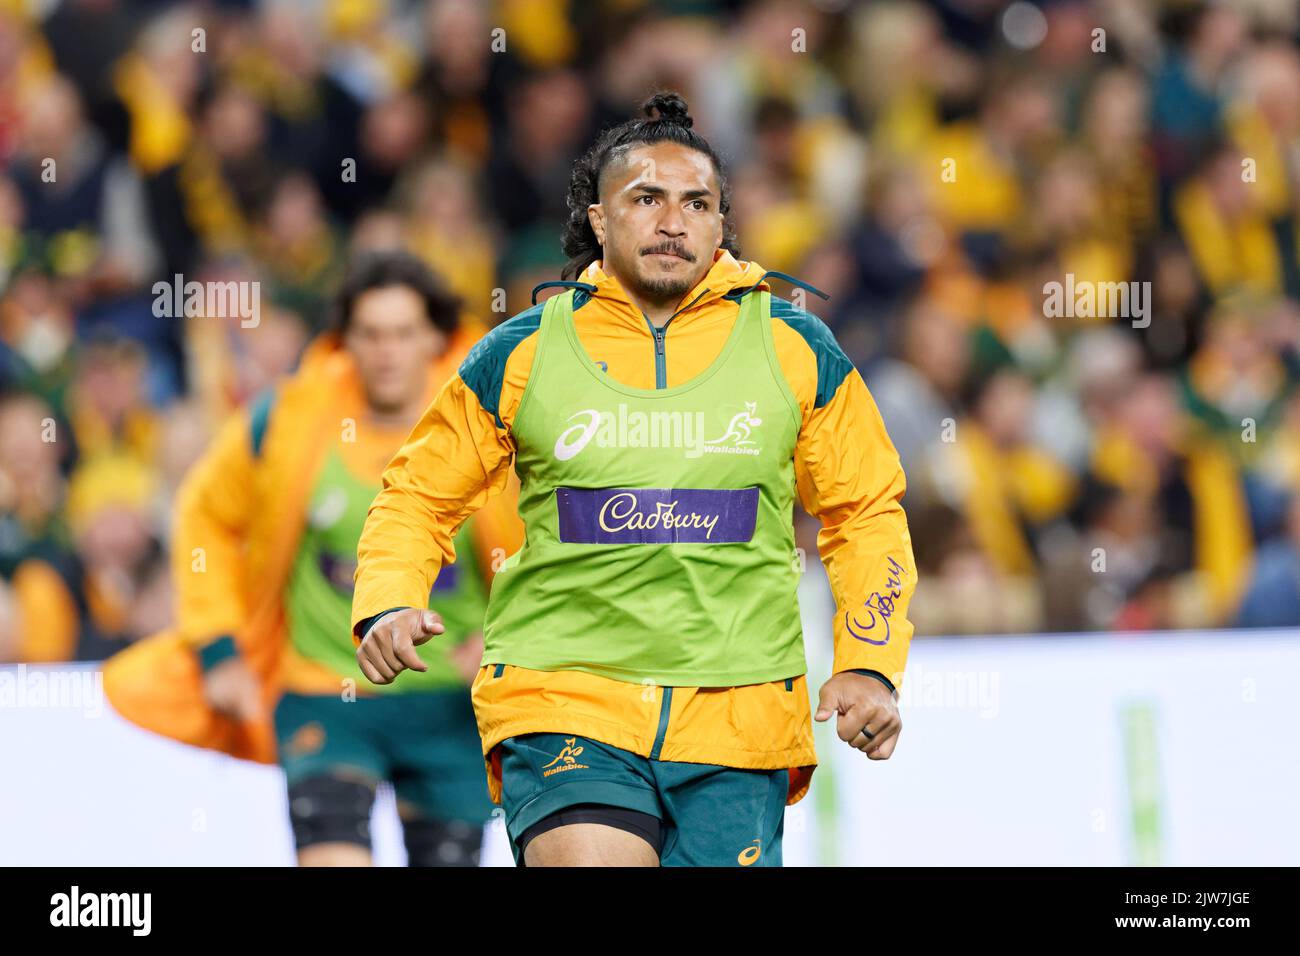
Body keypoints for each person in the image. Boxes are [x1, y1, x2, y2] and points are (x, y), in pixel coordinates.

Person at [351, 92, 917, 867]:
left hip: (740, 712)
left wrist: (868, 661)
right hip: (564, 695)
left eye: (697, 204)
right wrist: (386, 598)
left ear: (722, 224)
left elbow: (865, 511)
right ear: (598, 219)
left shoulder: (796, 348)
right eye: (646, 199)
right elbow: (417, 493)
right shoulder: (520, 351)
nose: (672, 221)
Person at [104, 251, 521, 866]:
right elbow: (206, 516)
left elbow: (556, 532)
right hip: (326, 691)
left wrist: (505, 632)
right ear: (343, 340)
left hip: (451, 703)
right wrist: (218, 648)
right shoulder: (289, 421)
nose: (387, 351)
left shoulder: (495, 421)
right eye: (370, 334)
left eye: (404, 333)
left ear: (437, 337)